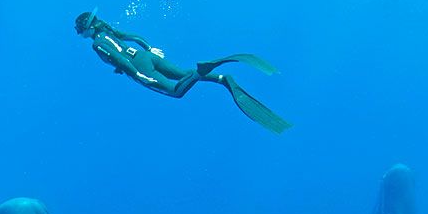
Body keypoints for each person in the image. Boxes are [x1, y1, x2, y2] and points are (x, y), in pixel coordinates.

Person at [73, 10, 291, 133]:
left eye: (80, 31)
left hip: (139, 67)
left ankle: (203, 71)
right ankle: (221, 78)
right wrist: (150, 49)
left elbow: (120, 59)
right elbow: (133, 37)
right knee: (182, 74)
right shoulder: (109, 30)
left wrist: (137, 75)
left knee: (176, 91)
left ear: (87, 29)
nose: (81, 34)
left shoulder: (97, 43)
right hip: (146, 56)